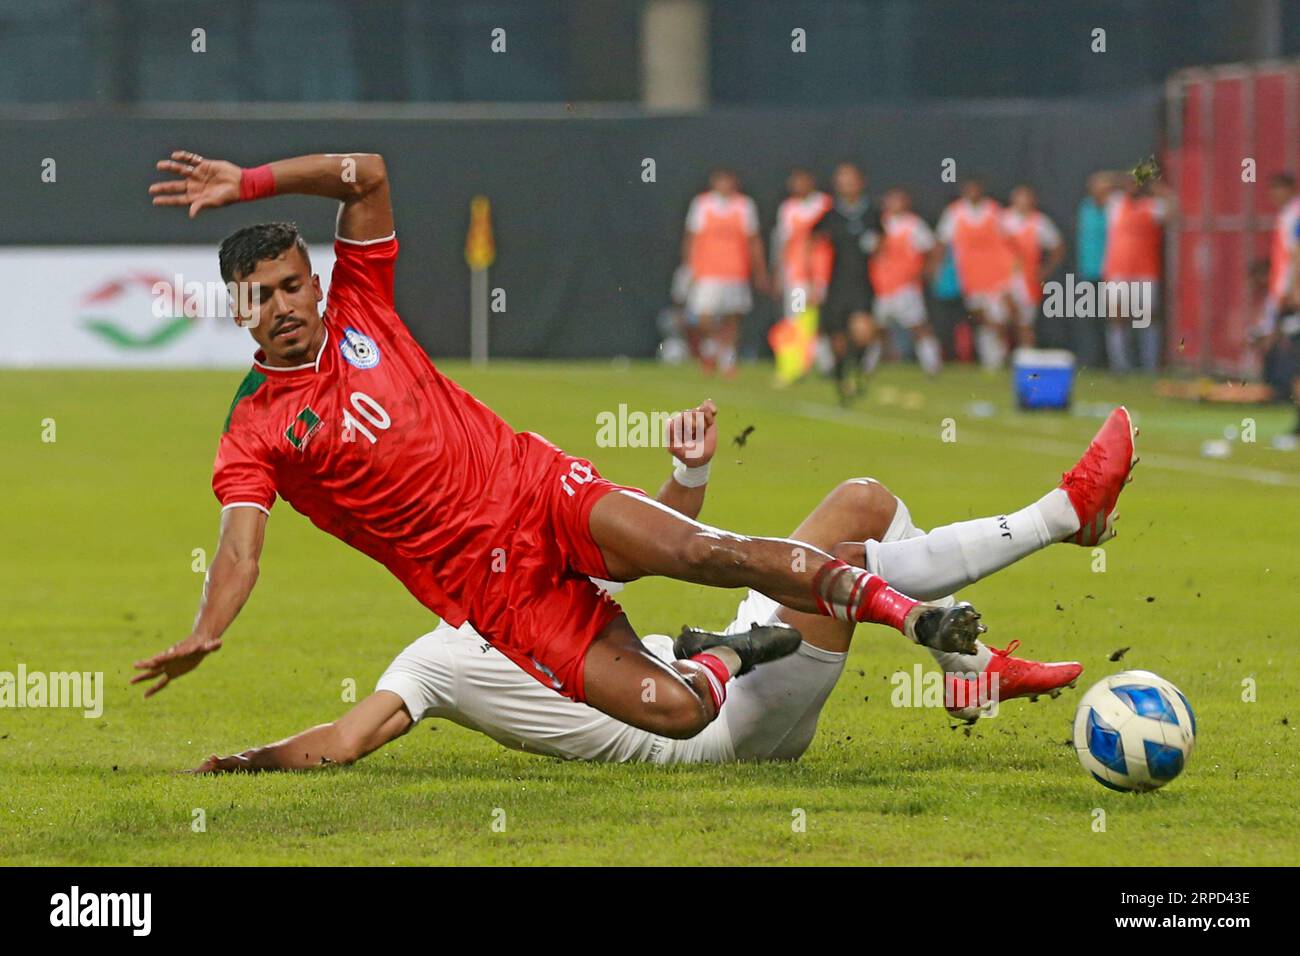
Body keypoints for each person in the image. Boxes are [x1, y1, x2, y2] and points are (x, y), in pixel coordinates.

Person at [134, 149, 1005, 745]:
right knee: (679, 714)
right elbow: (240, 552)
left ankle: (910, 614)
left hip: (536, 486)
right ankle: (730, 649)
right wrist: (206, 630)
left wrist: (249, 181)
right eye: (262, 296)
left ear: (315, 282)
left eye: (292, 284)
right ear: (238, 308)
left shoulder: (362, 302)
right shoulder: (252, 430)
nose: (283, 304)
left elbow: (368, 174)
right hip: (494, 590)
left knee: (703, 551)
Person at [191, 406, 1145, 774]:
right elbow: (346, 740)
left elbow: (649, 553)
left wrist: (686, 476)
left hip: (723, 672)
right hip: (719, 724)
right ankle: (1067, 516)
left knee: (864, 500)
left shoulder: (525, 583)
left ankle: (970, 664)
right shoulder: (434, 661)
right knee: (854, 536)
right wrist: (249, 762)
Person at [681, 168, 769, 377]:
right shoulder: (702, 204)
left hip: (735, 271)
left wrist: (759, 271)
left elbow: (753, 240)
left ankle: (728, 359)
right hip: (707, 271)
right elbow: (691, 238)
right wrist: (689, 267)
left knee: (731, 318)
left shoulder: (744, 205)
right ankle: (710, 347)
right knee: (703, 316)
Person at [811, 162, 885, 404]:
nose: (846, 184)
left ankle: (857, 370)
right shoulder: (831, 215)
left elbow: (884, 243)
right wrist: (813, 279)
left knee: (863, 332)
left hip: (862, 284)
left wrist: (877, 248)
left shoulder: (871, 213)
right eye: (841, 179)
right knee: (839, 341)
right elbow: (812, 242)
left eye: (850, 179)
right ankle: (843, 380)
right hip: (835, 285)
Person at [936, 178, 1020, 368]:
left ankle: (1001, 358)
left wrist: (1013, 264)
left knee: (1000, 316)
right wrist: (938, 268)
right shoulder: (954, 213)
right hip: (970, 274)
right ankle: (991, 359)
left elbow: (1009, 239)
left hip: (997, 272)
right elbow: (942, 241)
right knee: (981, 317)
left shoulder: (993, 210)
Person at [1102, 174, 1173, 373]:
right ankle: (1120, 365)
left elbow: (1172, 211)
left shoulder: (1152, 206)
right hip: (1117, 269)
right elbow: (1097, 184)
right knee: (1117, 315)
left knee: (1147, 317)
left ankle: (1149, 365)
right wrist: (1119, 180)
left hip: (1145, 270)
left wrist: (1158, 187)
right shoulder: (1115, 204)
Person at [869, 187, 942, 375]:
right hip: (881, 285)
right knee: (877, 328)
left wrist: (927, 272)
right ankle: (869, 365)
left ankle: (932, 364)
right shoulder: (878, 223)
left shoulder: (914, 225)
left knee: (917, 326)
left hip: (905, 286)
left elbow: (932, 249)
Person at [1002, 185, 1064, 344]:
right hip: (1002, 277)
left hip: (1028, 279)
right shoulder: (1002, 219)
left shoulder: (1040, 222)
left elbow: (1057, 247)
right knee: (1001, 318)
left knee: (1025, 322)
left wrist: (1045, 270)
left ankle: (1026, 355)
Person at [1073, 172, 1113, 367]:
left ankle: (1111, 361)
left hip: (1110, 271)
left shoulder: (1114, 209)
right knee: (1088, 317)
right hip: (1088, 270)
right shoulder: (1086, 207)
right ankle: (1090, 360)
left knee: (1111, 317)